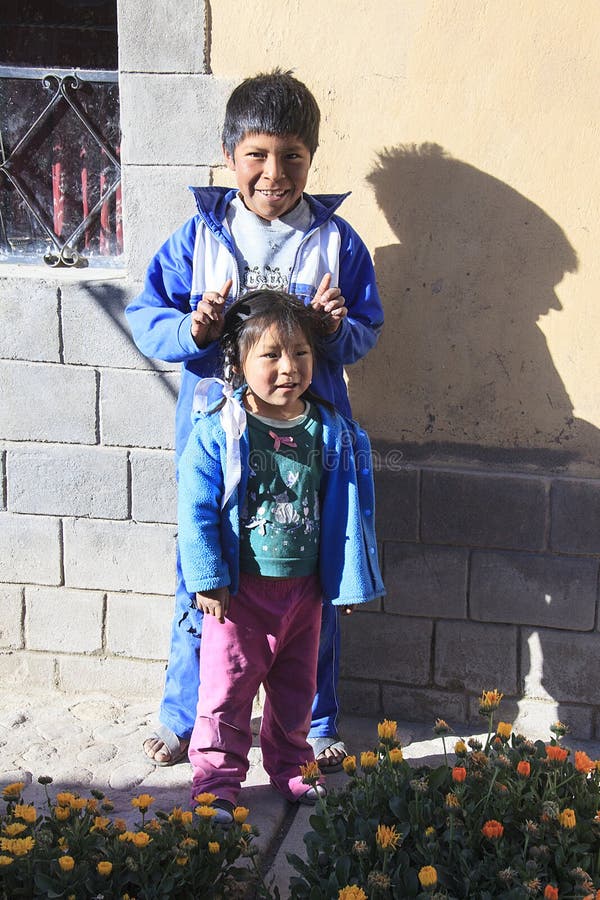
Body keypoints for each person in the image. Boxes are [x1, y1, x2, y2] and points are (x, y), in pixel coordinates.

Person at [125, 68, 384, 772]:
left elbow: (367, 327)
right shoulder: (198, 238)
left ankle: (316, 724)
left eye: (293, 156)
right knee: (200, 577)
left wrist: (336, 331)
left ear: (312, 157)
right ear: (229, 152)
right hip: (220, 443)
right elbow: (147, 317)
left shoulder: (337, 243)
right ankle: (187, 716)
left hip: (308, 451)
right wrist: (193, 329)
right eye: (258, 155)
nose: (275, 173)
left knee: (315, 582)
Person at [178, 291, 384, 821]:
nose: (289, 368)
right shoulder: (220, 432)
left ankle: (291, 767)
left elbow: (350, 510)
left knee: (297, 692)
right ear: (239, 363)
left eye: (301, 353)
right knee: (226, 692)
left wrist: (349, 580)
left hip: (303, 593)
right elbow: (197, 509)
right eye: (270, 355)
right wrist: (207, 578)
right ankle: (217, 782)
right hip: (240, 595)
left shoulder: (328, 430)